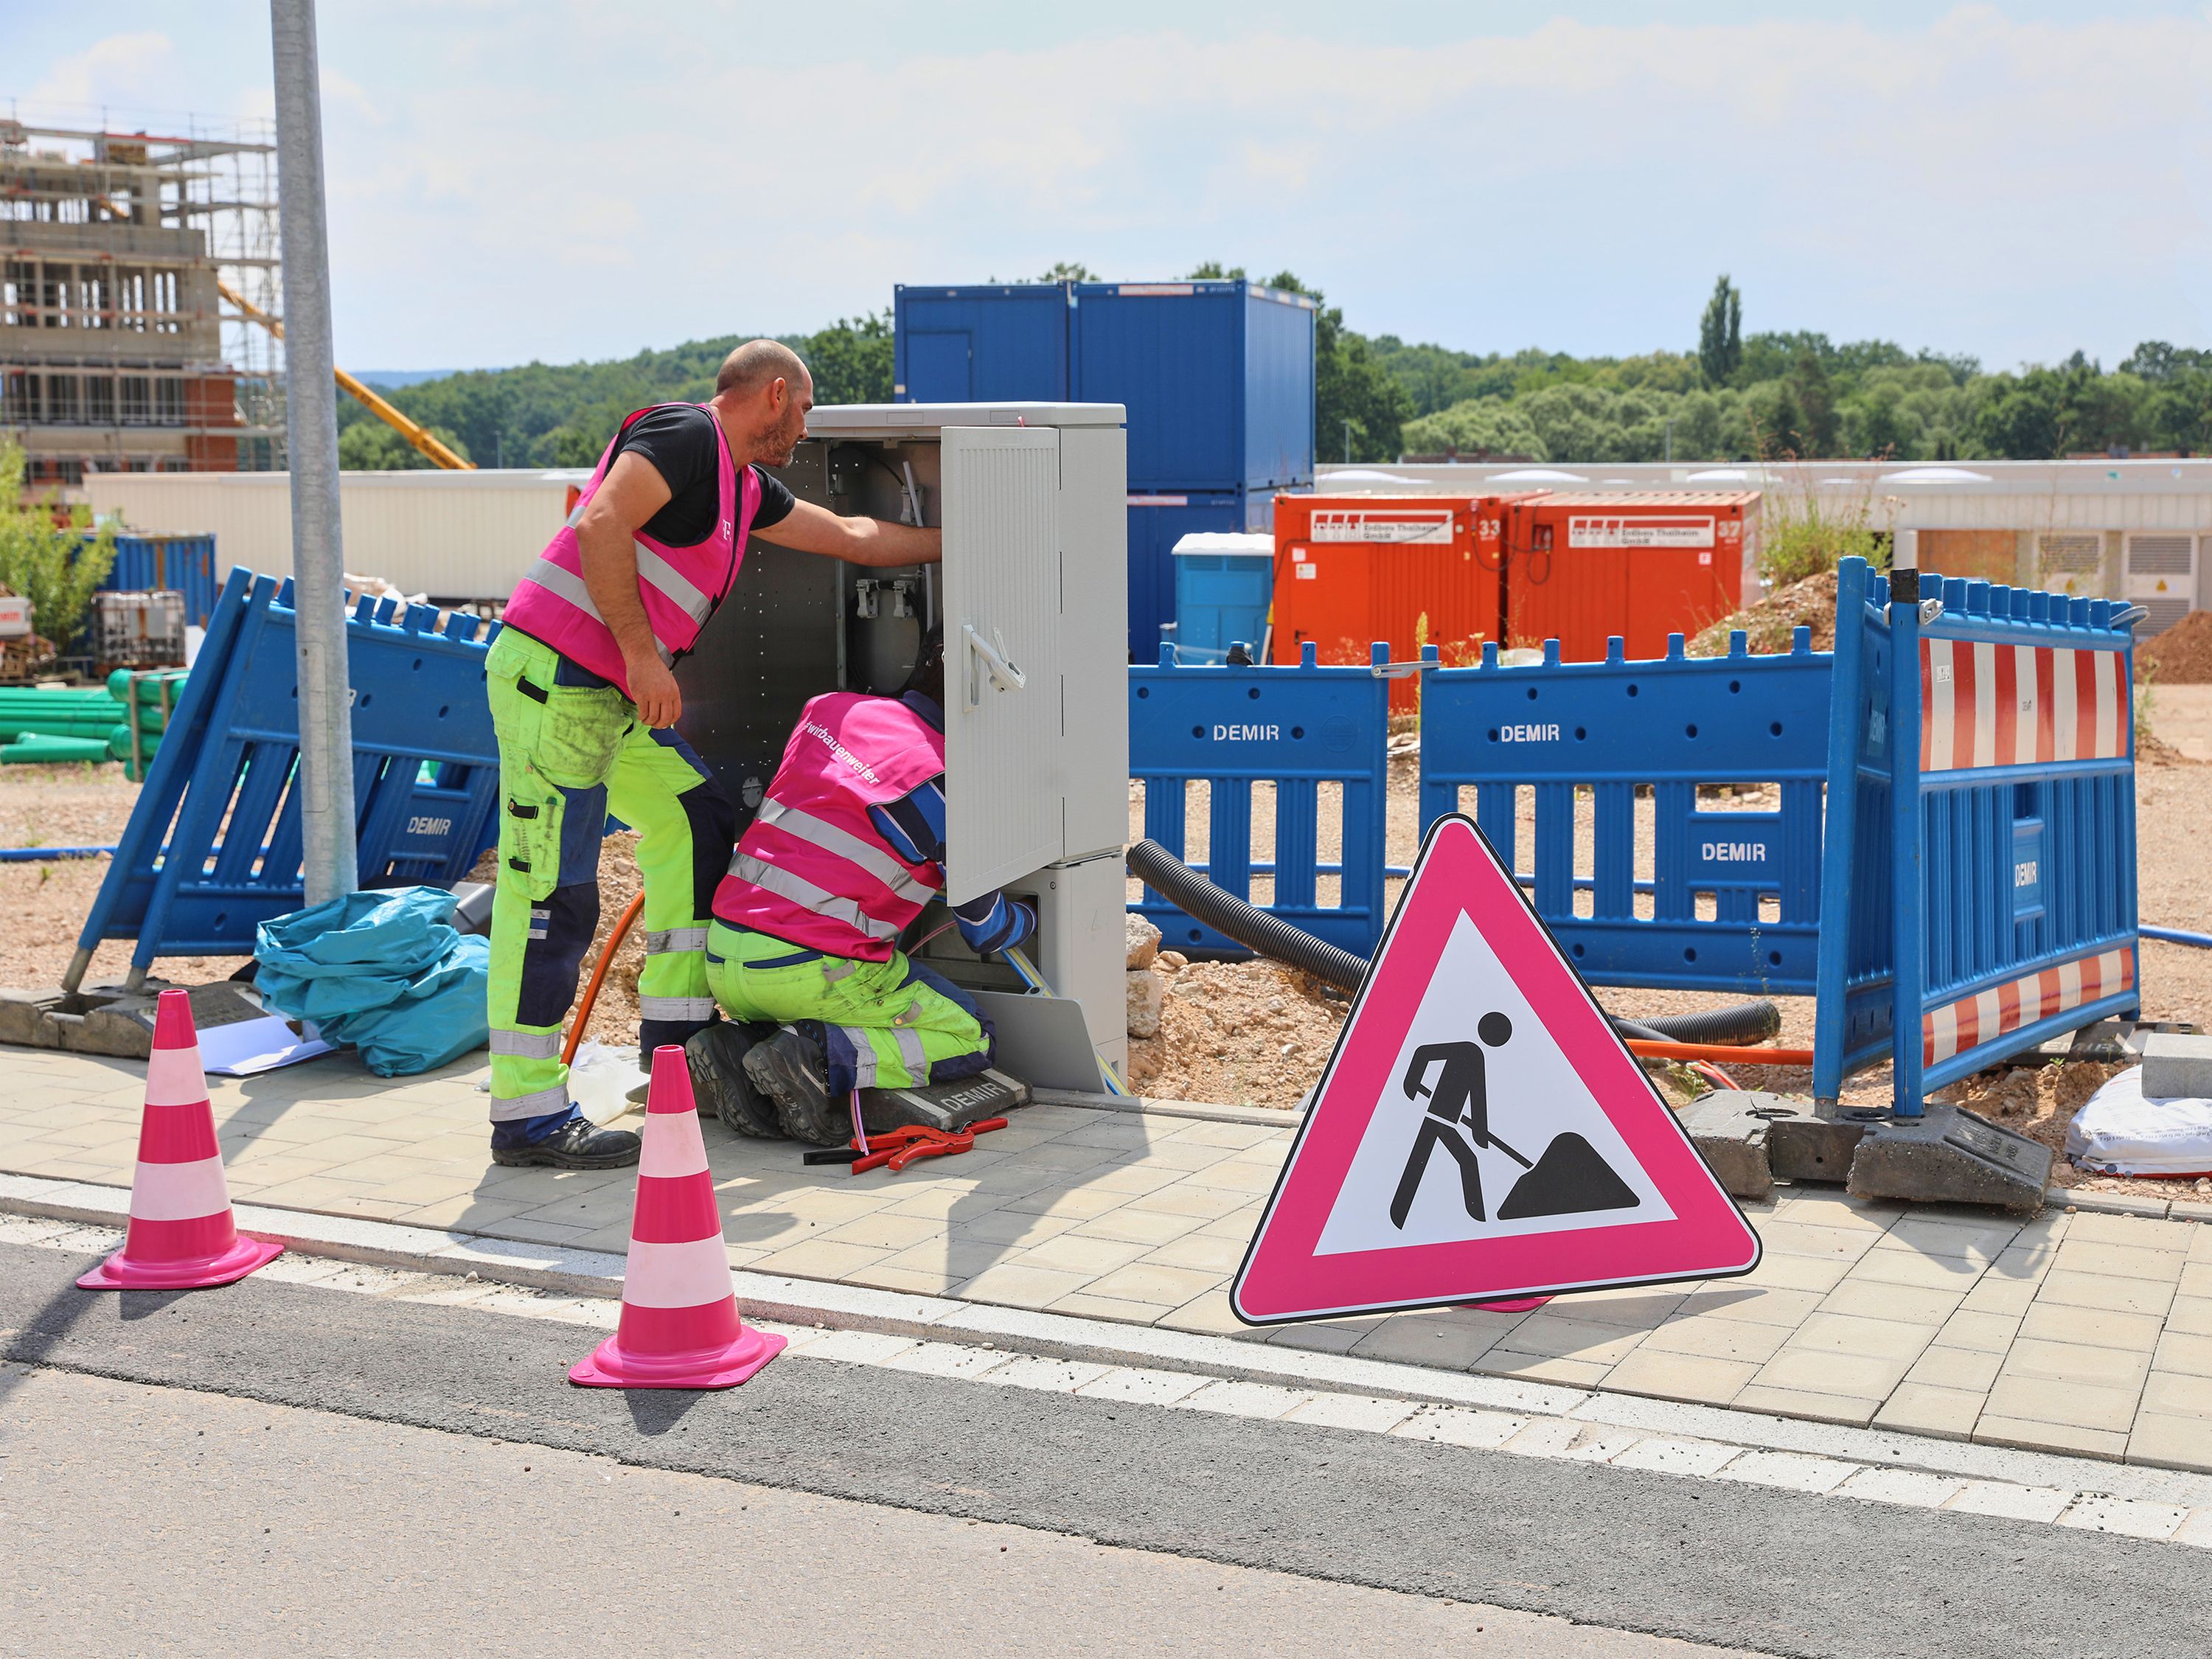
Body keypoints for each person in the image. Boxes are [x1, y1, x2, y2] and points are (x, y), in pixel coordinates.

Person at [484, 341, 939, 1169]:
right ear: (774, 394)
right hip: (558, 682)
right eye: (803, 410)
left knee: (698, 820)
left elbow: (851, 536)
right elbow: (600, 520)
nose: (805, 428)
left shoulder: (743, 487)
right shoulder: (685, 435)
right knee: (551, 892)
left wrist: (961, 539)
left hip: (604, 699)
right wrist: (643, 657)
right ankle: (526, 1115)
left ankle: (678, 1056)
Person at [686, 630, 1034, 1145]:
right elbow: (985, 931)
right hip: (812, 970)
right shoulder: (941, 786)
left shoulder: (827, 709)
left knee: (802, 1004)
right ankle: (818, 1058)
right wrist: (1031, 917)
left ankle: (738, 1045)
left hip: (726, 957)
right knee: (971, 1034)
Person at [1388, 1012, 1513, 1229]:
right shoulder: (1470, 1051)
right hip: (1438, 1119)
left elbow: (1476, 1096)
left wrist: (1479, 1132)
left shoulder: (1474, 1054)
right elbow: (1424, 1053)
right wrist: (1411, 1082)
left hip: (1444, 1122)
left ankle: (1397, 1215)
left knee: (1421, 1163)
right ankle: (1479, 1221)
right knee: (1464, 1161)